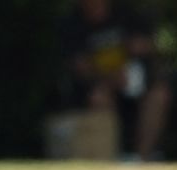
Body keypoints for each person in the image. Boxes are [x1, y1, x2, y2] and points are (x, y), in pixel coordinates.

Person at [60, 0, 171, 161]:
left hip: (136, 82)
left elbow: (152, 46)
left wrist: (140, 47)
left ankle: (141, 159)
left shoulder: (127, 15)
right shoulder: (72, 23)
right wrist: (111, 78)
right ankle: (113, 159)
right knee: (99, 98)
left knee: (160, 95)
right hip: (96, 87)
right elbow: (80, 67)